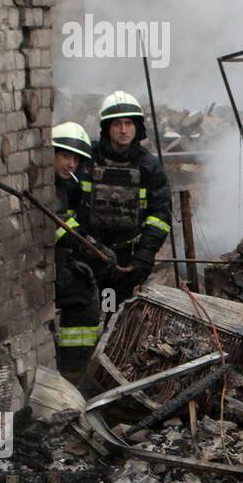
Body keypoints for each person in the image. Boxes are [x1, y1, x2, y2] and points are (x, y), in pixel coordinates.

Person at [84, 91, 172, 310]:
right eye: (117, 124)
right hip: (88, 251)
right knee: (85, 312)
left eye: (128, 124)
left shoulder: (149, 168)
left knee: (113, 311)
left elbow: (160, 215)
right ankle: (86, 345)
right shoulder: (87, 160)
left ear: (137, 127)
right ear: (107, 127)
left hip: (125, 257)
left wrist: (145, 254)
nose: (123, 130)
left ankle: (108, 343)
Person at [51, 122, 104, 376]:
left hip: (57, 264)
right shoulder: (46, 188)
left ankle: (75, 365)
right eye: (65, 156)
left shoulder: (61, 188)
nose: (71, 164)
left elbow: (67, 225)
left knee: (85, 288)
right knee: (83, 294)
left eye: (75, 159)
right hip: (41, 274)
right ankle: (71, 368)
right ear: (52, 154)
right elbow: (60, 230)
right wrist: (91, 249)